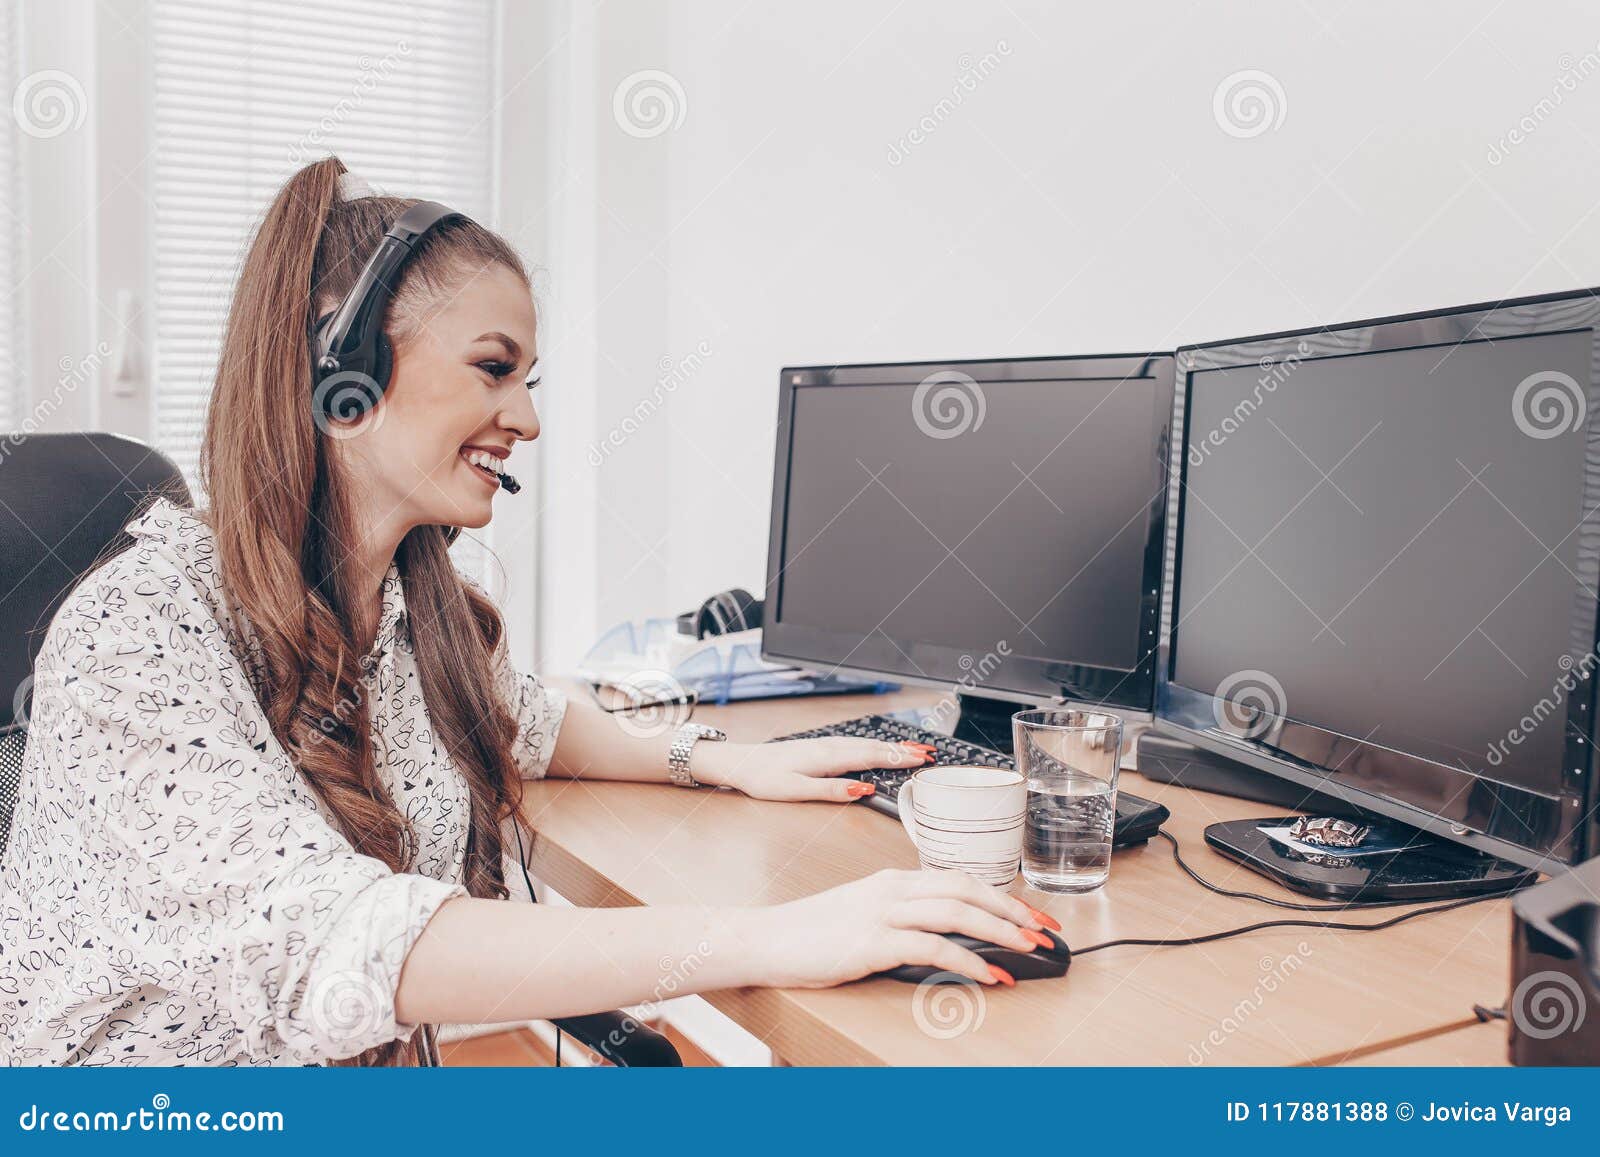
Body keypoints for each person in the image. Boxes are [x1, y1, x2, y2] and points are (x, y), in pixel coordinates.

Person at [0, 157, 1054, 1066]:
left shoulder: (404, 608)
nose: (529, 418)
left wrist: (717, 756)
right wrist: (773, 933)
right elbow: (352, 939)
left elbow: (533, 719)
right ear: (346, 374)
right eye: (494, 369)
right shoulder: (136, 633)